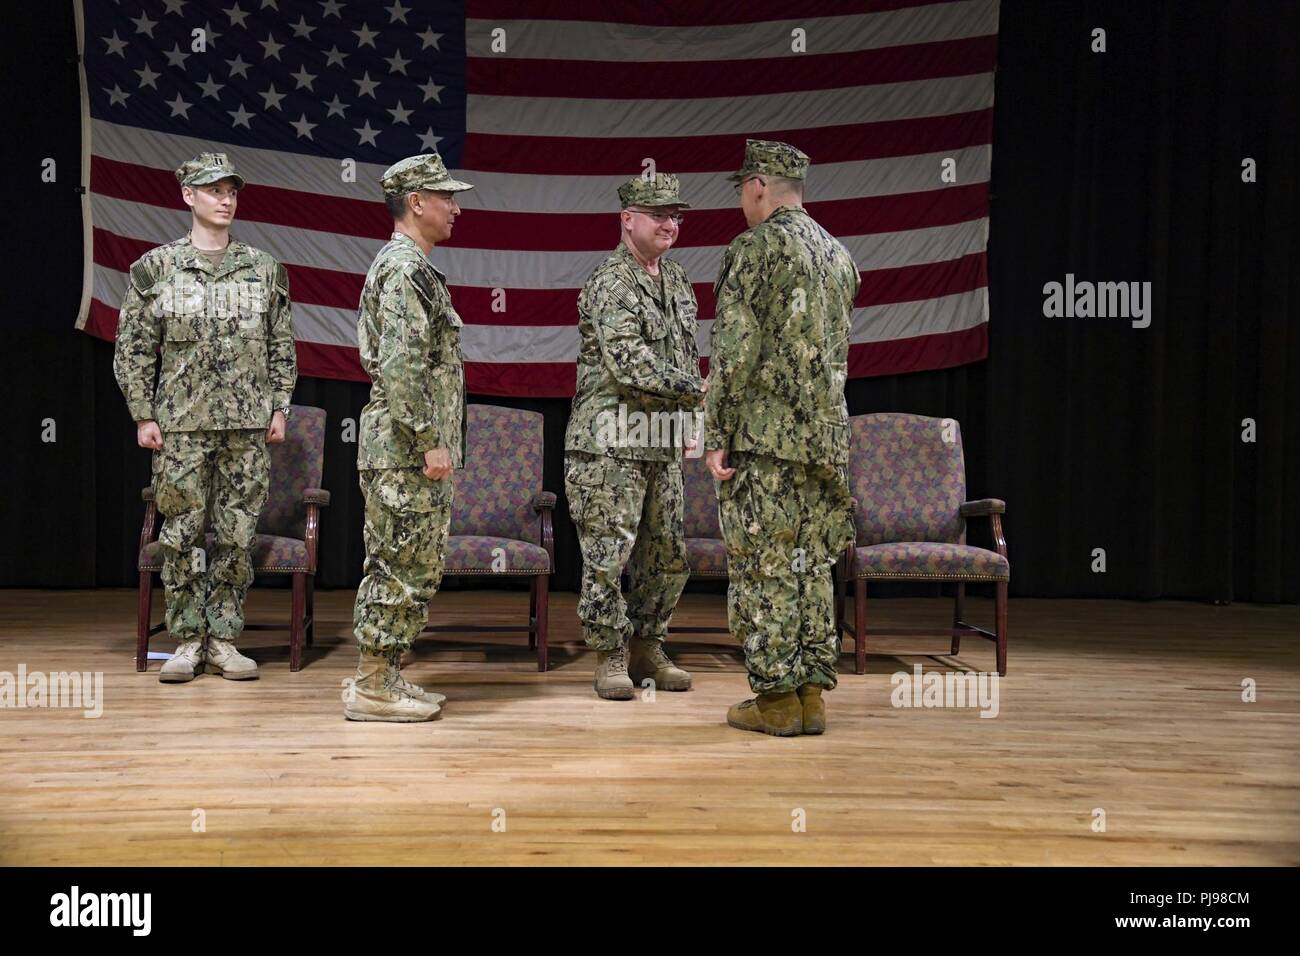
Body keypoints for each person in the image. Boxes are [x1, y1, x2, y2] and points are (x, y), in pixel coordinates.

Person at [114, 152, 297, 684]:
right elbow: (134, 349)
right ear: (188, 196)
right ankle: (188, 640)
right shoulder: (156, 269)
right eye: (213, 190)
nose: (225, 199)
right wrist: (142, 414)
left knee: (237, 534)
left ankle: (225, 640)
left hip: (246, 425)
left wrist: (280, 404)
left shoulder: (265, 269)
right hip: (181, 425)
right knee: (184, 533)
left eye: (231, 190)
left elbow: (280, 345)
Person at [704, 140, 860, 736]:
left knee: (765, 563)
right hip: (825, 440)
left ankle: (775, 700)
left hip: (766, 439)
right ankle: (811, 695)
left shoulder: (753, 249)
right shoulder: (838, 255)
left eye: (743, 188)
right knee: (810, 562)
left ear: (759, 186)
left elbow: (735, 352)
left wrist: (716, 432)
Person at [564, 173, 707, 700]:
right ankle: (610, 654)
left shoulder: (678, 280)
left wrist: (689, 422)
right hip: (610, 443)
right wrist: (699, 390)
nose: (670, 223)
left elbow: (684, 354)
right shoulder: (610, 282)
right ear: (628, 220)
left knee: (667, 553)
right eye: (658, 213)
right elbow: (632, 364)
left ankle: (649, 645)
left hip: (662, 441)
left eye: (676, 215)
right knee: (607, 555)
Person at [344, 153, 472, 722]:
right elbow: (401, 365)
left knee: (414, 562)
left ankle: (386, 674)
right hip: (402, 451)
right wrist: (427, 439)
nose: (456, 207)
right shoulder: (401, 269)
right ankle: (372, 685)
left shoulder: (413, 267)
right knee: (397, 562)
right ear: (416, 203)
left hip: (408, 449)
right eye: (446, 198)